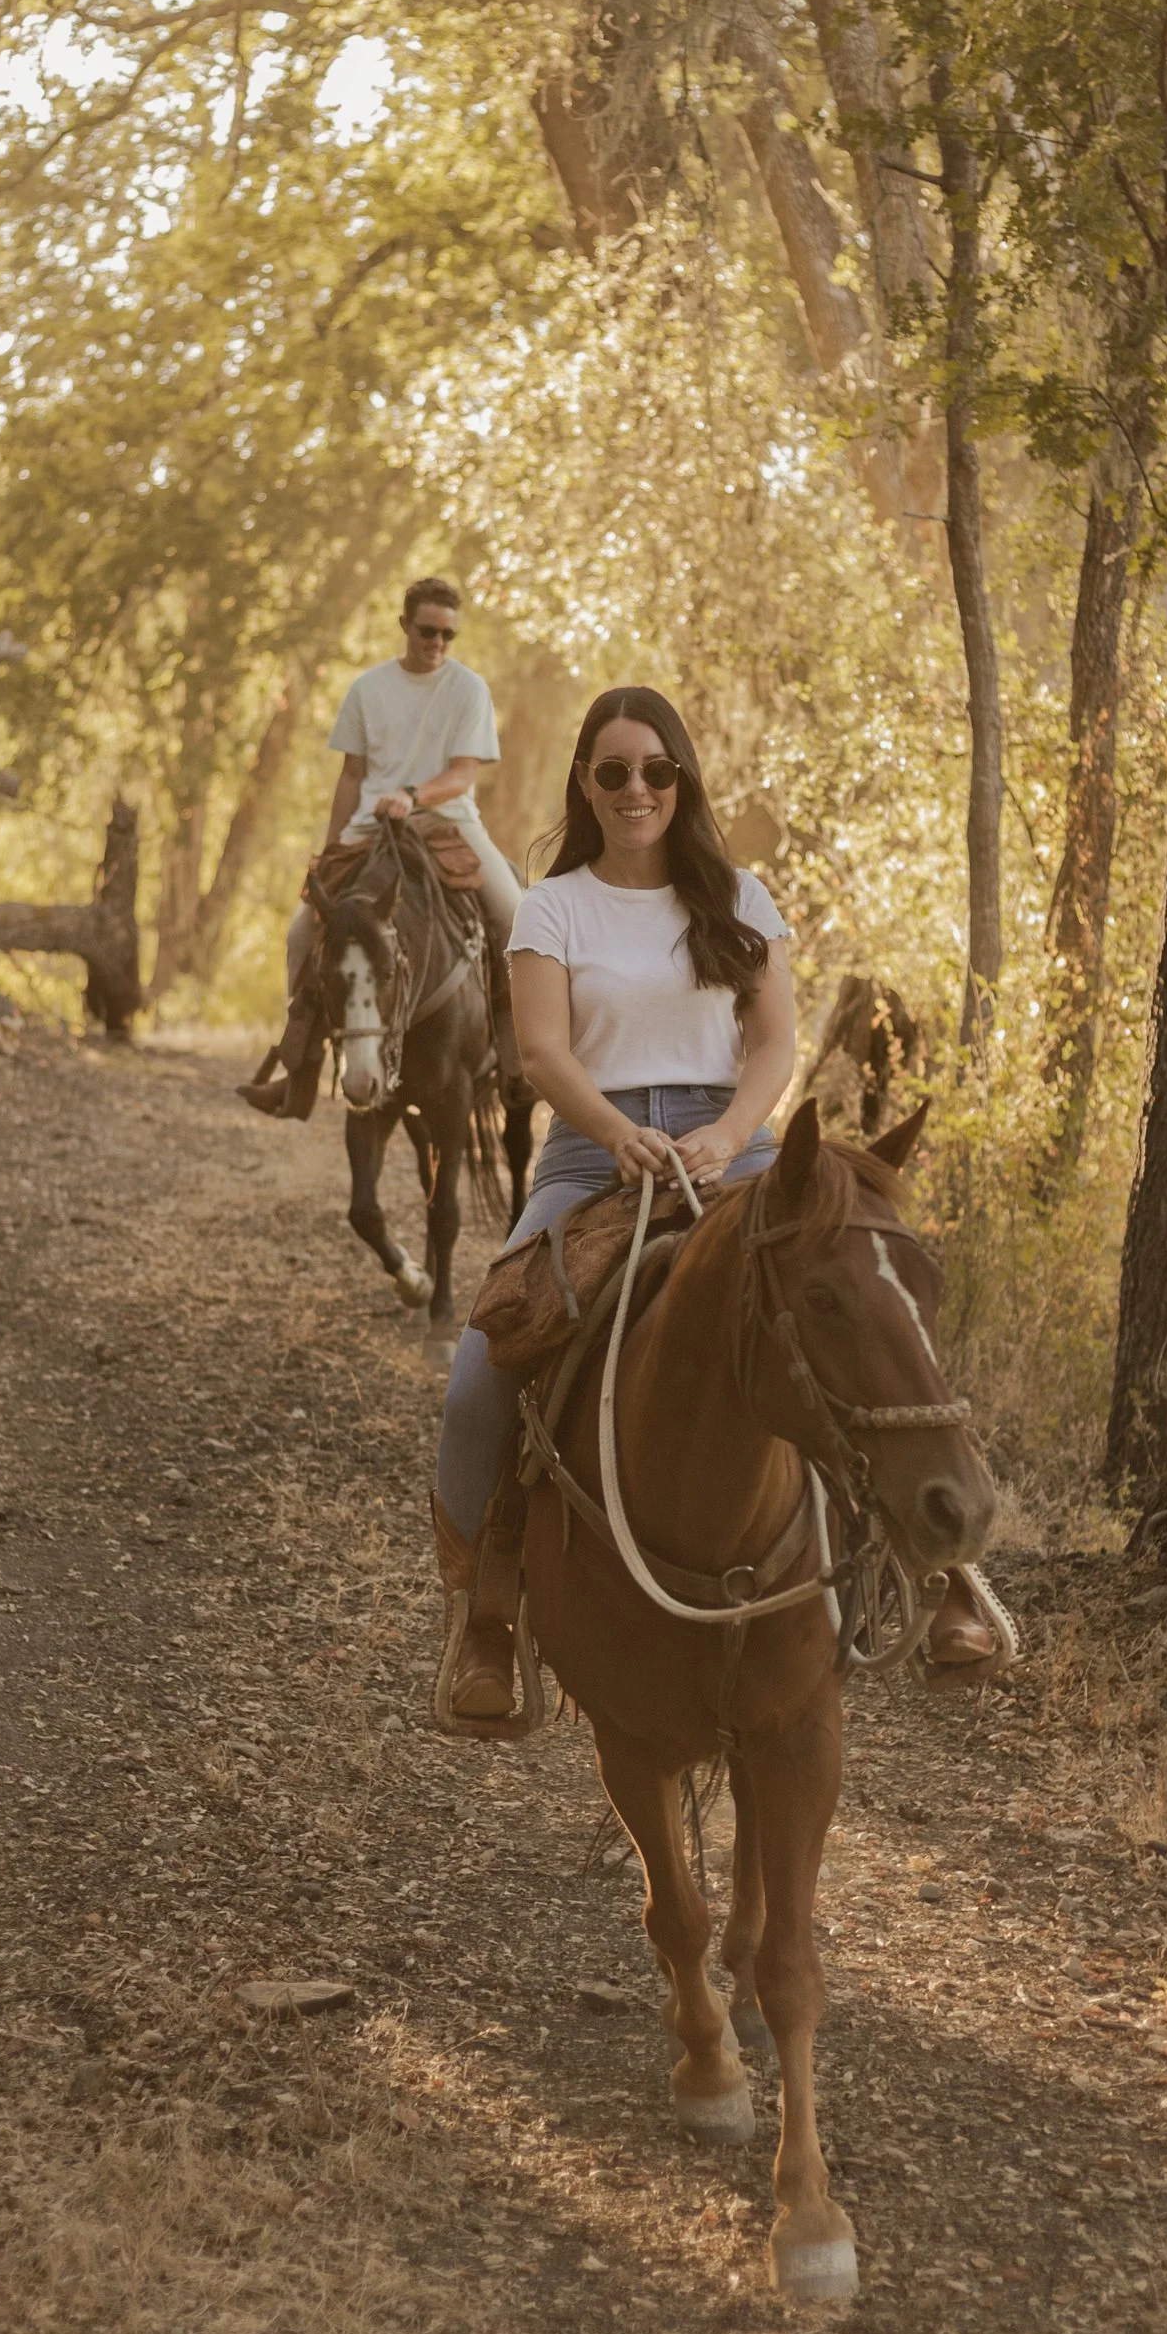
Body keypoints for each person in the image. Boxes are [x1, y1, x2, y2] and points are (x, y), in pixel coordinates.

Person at [430, 684, 992, 1725]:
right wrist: (616, 1135)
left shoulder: (740, 895)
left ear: (682, 779)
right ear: (586, 785)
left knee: (857, 1310)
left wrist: (730, 1136)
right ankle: (488, 1622)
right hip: (592, 1156)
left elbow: (774, 1041)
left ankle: (936, 1574)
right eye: (612, 772)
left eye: (655, 769)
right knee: (482, 1373)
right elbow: (544, 1051)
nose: (635, 788)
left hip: (737, 1149)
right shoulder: (552, 908)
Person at [240, 576, 523, 1119]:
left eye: (447, 634)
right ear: (404, 625)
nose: (437, 642)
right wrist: (329, 853)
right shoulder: (368, 690)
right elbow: (351, 778)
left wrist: (413, 794)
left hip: (448, 825)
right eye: (427, 630)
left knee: (516, 914)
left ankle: (516, 1061)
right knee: (301, 933)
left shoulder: (469, 690)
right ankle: (298, 1071)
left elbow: (463, 774)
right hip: (370, 829)